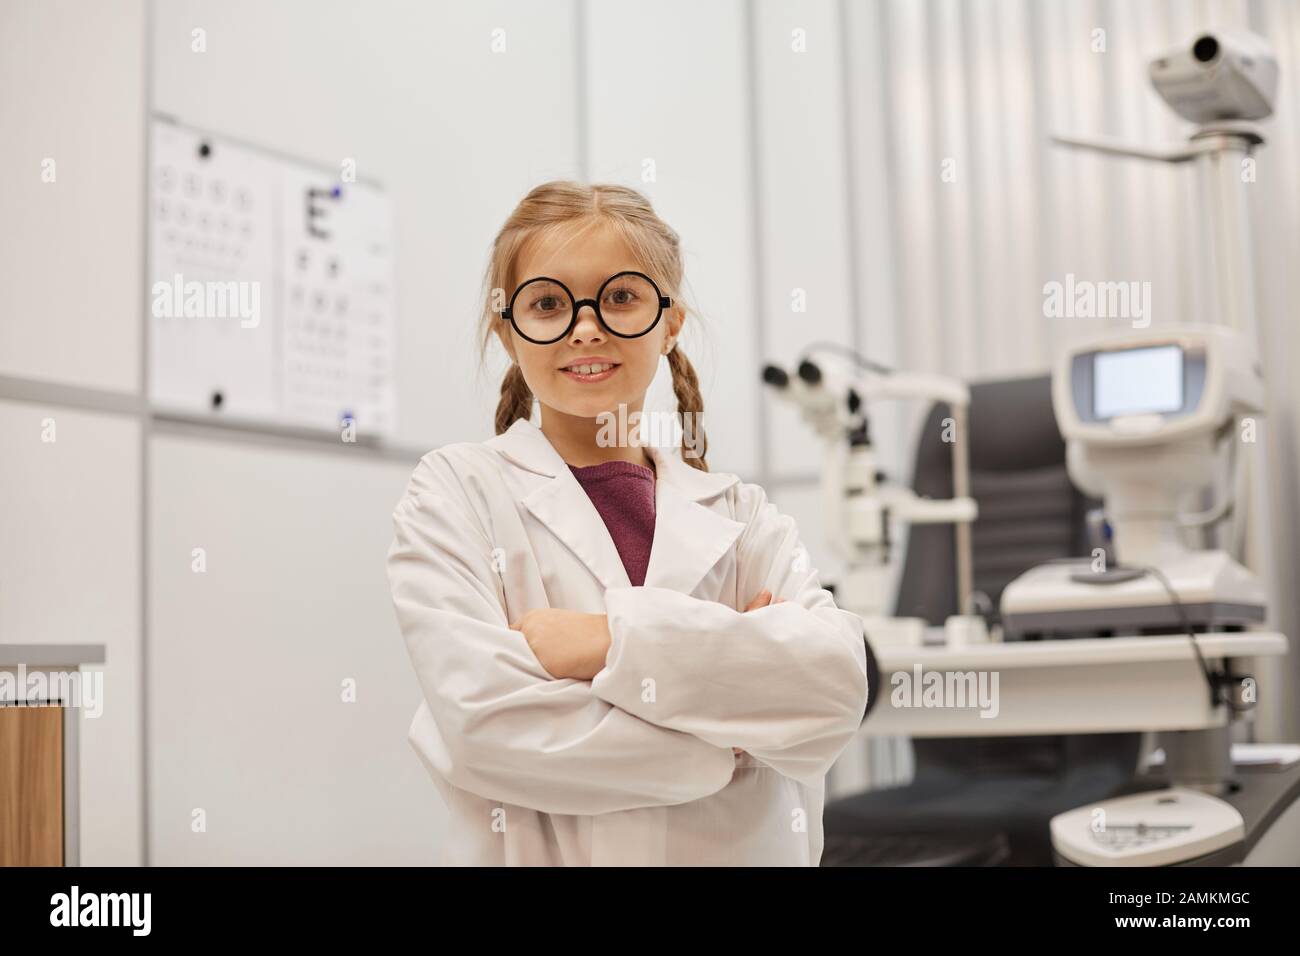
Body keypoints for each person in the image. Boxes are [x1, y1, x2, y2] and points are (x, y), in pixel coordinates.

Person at [386, 180, 868, 865]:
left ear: (669, 321)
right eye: (548, 303)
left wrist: (604, 641)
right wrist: (734, 734)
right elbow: (486, 729)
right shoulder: (456, 493)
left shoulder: (741, 513)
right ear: (507, 328)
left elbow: (836, 688)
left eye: (620, 297)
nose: (586, 325)